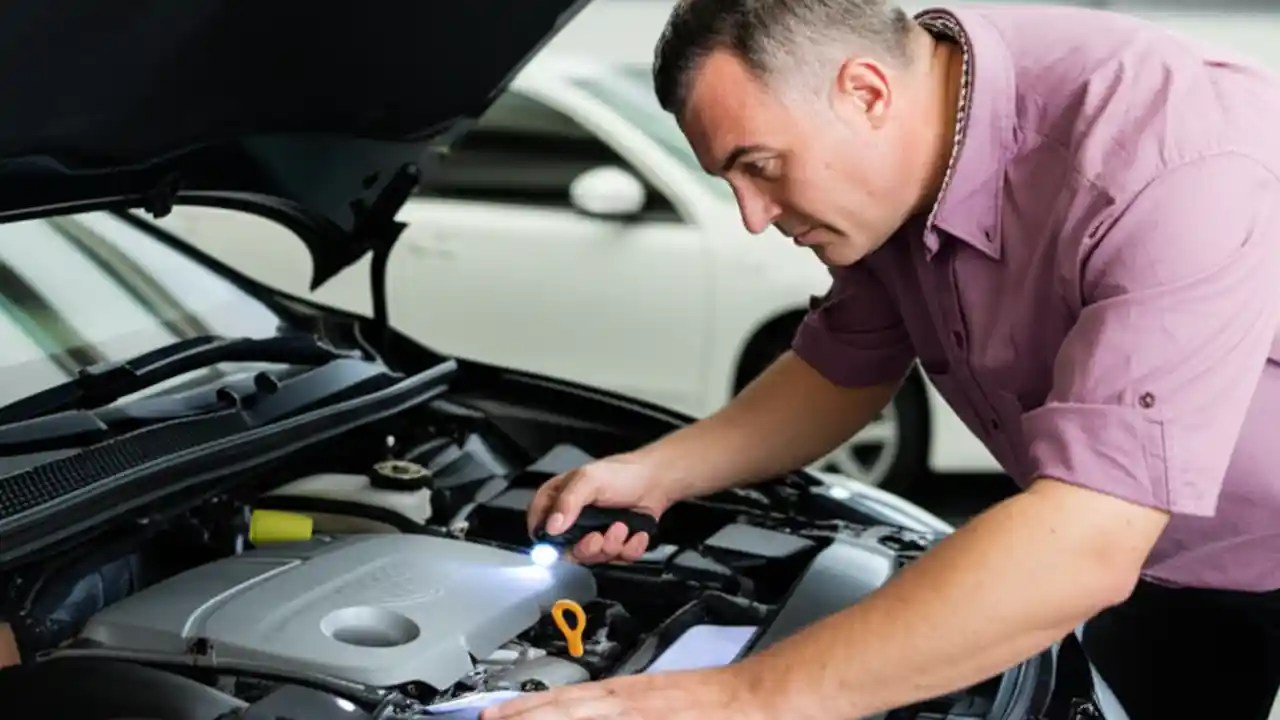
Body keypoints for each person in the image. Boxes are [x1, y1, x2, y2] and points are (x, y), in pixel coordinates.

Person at [481, 1, 1280, 719]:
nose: (754, 218)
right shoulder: (912, 133)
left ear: (865, 92)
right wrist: (657, 475)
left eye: (759, 167)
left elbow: (1087, 540)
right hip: (1172, 565)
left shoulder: (1165, 163)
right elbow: (844, 363)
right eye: (730, 179)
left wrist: (735, 698)